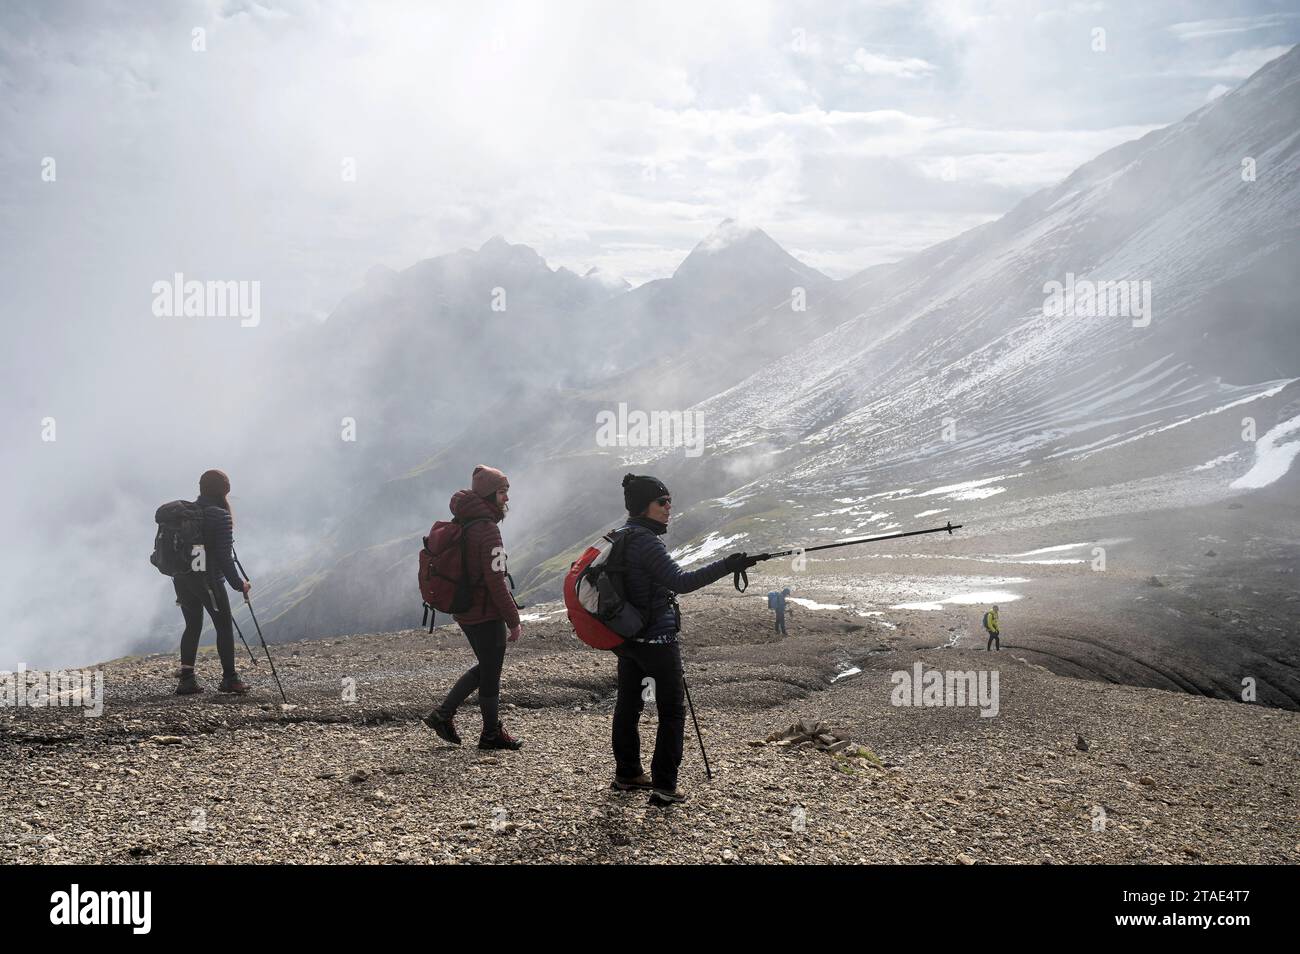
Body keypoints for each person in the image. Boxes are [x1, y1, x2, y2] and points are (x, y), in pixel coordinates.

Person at [610, 473, 759, 806]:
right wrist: (727, 565)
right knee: (671, 713)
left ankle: (628, 774)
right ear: (644, 506)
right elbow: (681, 581)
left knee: (628, 706)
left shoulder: (622, 536)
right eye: (662, 502)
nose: (668, 507)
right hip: (657, 640)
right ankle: (664, 786)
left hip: (627, 638)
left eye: (669, 501)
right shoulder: (646, 541)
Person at [423, 465, 524, 750]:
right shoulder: (488, 530)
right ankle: (490, 733)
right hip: (485, 612)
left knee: (487, 666)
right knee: (491, 671)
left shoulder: (463, 521)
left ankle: (444, 715)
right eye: (502, 492)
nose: (506, 499)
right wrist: (513, 619)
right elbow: (496, 580)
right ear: (489, 495)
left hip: (465, 611)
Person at [174, 469, 250, 696]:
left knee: (193, 625)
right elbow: (225, 559)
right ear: (224, 490)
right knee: (224, 626)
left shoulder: (187, 513)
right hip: (208, 580)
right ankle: (230, 678)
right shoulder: (220, 516)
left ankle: (187, 680)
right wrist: (240, 585)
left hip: (183, 578)